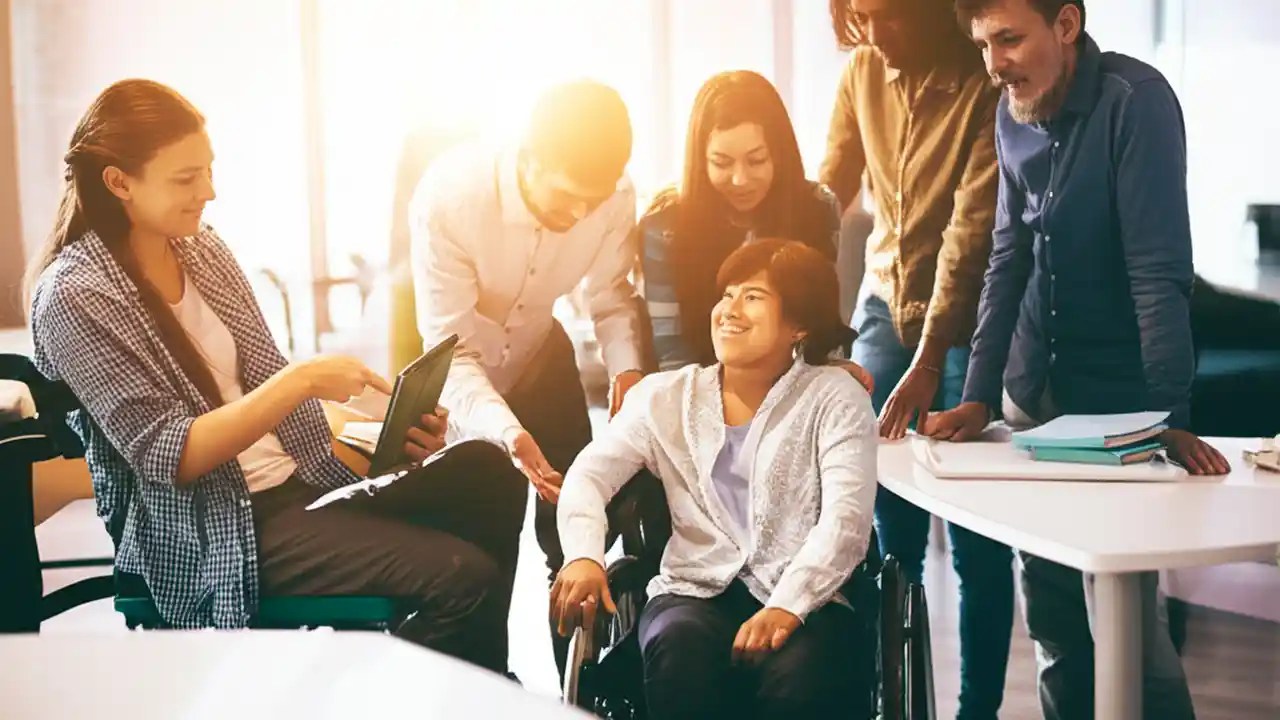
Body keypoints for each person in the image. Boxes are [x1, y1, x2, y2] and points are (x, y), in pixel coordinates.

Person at [26, 79, 527, 674]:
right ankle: (441, 685)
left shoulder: (201, 250)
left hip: (296, 489)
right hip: (212, 529)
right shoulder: (75, 295)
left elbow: (262, 392)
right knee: (461, 577)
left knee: (490, 473)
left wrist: (381, 436)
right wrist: (301, 381)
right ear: (119, 182)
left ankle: (464, 679)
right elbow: (169, 455)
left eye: (207, 171)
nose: (208, 192)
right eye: (185, 178)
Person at [932, 1, 1233, 717]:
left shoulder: (1138, 104)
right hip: (1033, 396)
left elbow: (1158, 273)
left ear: (1065, 26)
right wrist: (978, 394)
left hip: (1125, 407)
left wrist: (1171, 416)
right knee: (1056, 625)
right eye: (982, 43)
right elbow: (1006, 260)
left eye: (1010, 39)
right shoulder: (1009, 113)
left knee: (1136, 634)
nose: (994, 62)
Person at [552, 239, 878, 719]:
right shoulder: (664, 397)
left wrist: (787, 606)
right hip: (693, 590)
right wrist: (584, 554)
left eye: (754, 297)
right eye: (727, 294)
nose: (730, 309)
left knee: (800, 675)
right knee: (677, 649)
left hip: (807, 597)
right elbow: (588, 475)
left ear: (799, 324)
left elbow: (846, 520)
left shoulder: (835, 397)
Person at [408, 78, 644, 676]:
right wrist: (505, 432)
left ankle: (578, 686)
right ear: (527, 155)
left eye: (592, 201)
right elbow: (451, 348)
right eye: (567, 196)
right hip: (455, 372)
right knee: (476, 552)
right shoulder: (450, 196)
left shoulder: (611, 197)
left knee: (573, 535)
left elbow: (611, 297)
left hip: (542, 354)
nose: (578, 215)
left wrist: (628, 372)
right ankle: (486, 689)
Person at [822, 2, 1014, 716]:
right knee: (881, 535)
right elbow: (825, 195)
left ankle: (976, 712)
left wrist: (932, 354)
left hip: (963, 328)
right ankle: (889, 704)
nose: (873, 37)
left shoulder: (983, 84)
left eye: (888, 17)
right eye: (858, 16)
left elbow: (970, 239)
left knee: (977, 542)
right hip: (882, 312)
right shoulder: (861, 72)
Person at [637, 70, 857, 376]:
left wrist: (829, 378)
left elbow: (818, 326)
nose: (740, 180)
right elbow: (670, 347)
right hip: (690, 383)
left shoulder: (816, 209)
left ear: (779, 154)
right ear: (700, 161)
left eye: (756, 160)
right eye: (721, 163)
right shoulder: (664, 223)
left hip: (786, 382)